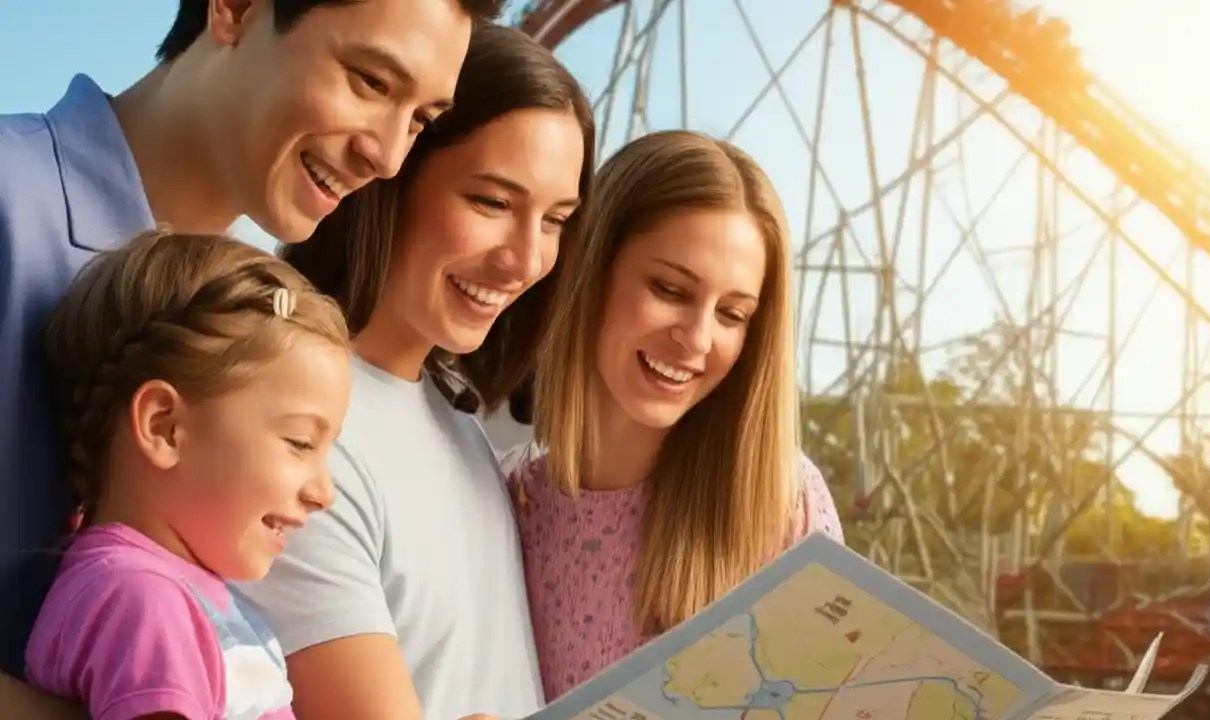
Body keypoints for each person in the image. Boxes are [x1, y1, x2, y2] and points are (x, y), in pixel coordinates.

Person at [0, 0, 500, 684]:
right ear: (233, 10)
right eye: (370, 81)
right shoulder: (9, 203)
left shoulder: (266, 333)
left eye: (419, 120)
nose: (386, 156)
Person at [234, 23, 595, 720]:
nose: (524, 260)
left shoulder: (455, 419)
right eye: (491, 203)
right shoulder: (299, 430)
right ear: (390, 178)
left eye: (554, 219)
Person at [506, 130, 845, 700]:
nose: (696, 338)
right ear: (591, 269)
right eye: (669, 288)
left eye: (733, 314)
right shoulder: (510, 498)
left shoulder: (783, 501)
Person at [25, 230, 352, 718]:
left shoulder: (173, 593)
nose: (324, 493)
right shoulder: (140, 599)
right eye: (300, 443)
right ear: (165, 427)